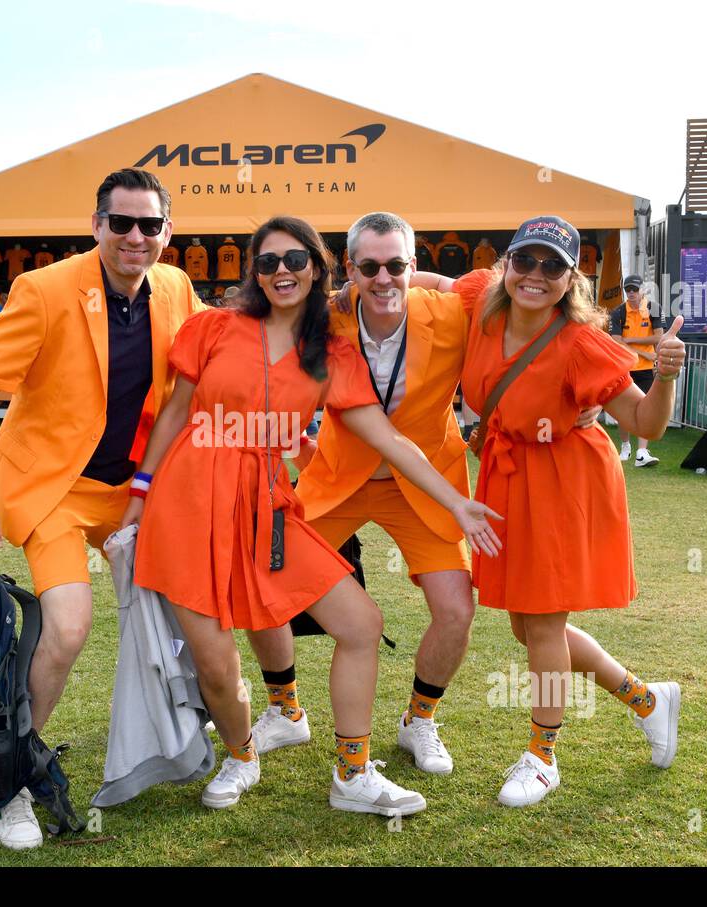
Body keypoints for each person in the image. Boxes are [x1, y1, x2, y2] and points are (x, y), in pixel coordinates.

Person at [119, 216, 502, 816]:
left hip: (264, 505)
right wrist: (140, 497)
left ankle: (352, 774)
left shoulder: (330, 352)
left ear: (318, 270)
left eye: (295, 260)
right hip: (185, 503)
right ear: (255, 272)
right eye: (267, 262)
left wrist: (455, 499)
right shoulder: (214, 326)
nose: (281, 272)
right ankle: (243, 754)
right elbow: (174, 413)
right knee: (216, 664)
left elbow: (389, 438)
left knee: (360, 624)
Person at [244, 212, 602, 778]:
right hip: (340, 478)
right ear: (350, 271)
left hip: (426, 484)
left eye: (395, 266)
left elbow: (533, 309)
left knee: (457, 611)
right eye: (369, 267)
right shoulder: (326, 318)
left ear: (412, 265)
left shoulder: (456, 311)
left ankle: (420, 720)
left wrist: (585, 396)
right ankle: (284, 708)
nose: (383, 279)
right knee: (261, 576)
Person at [0, 168, 203, 850]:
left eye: (149, 225)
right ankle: (7, 782)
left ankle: (228, 738)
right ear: (96, 226)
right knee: (66, 631)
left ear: (166, 232)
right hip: (53, 492)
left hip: (135, 496)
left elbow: (220, 354)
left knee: (199, 607)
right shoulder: (45, 288)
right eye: (120, 223)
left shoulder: (177, 286)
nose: (134, 237)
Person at [416, 215, 684, 807]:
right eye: (526, 261)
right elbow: (429, 282)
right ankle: (648, 700)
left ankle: (542, 756)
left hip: (567, 479)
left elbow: (648, 425)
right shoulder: (482, 300)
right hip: (510, 475)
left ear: (571, 279)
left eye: (552, 266)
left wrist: (665, 375)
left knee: (541, 624)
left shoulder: (582, 341)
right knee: (529, 624)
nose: (535, 275)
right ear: (508, 264)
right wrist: (365, 286)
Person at [609, 274, 664, 466]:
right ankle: (625, 446)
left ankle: (642, 452)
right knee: (623, 411)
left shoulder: (653, 309)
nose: (631, 293)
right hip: (624, 366)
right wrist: (644, 353)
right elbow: (616, 342)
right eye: (628, 290)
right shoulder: (618, 312)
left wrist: (632, 341)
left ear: (642, 290)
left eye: (634, 289)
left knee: (646, 410)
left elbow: (658, 337)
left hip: (646, 368)